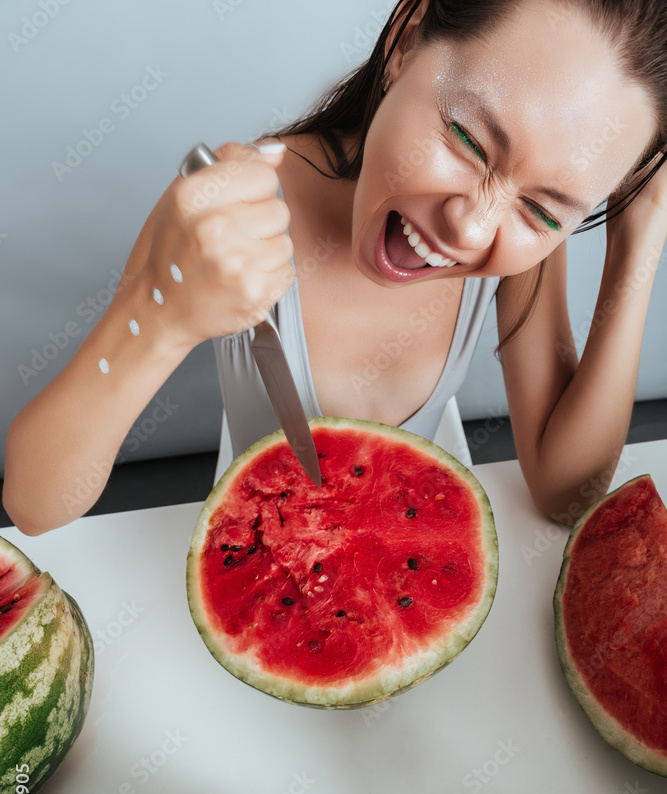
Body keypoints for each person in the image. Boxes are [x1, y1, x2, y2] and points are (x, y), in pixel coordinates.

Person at [4, 0, 666, 535]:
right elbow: (35, 505)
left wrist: (637, 241)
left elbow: (565, 492)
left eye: (543, 211)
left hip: (416, 530)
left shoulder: (515, 253)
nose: (469, 226)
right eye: (466, 139)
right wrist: (159, 314)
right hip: (259, 538)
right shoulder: (239, 206)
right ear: (406, 36)